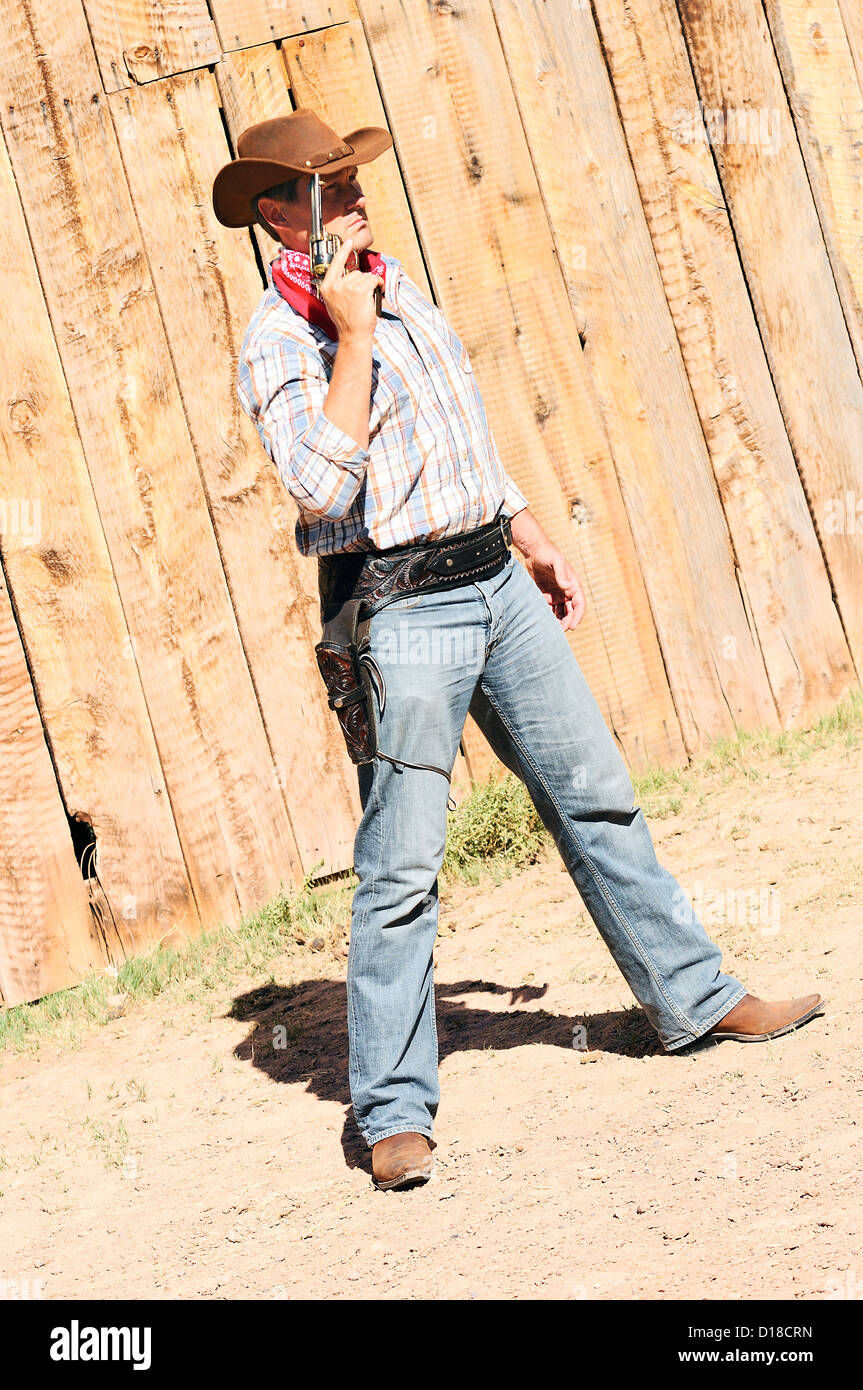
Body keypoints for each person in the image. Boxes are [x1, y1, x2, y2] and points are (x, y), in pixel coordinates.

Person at [212, 110, 823, 1192]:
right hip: (401, 612)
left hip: (493, 578)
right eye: (330, 189)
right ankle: (393, 1111)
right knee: (400, 869)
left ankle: (692, 994)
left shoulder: (397, 285)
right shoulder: (282, 338)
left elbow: (459, 436)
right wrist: (347, 336)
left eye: (352, 182)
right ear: (276, 213)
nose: (355, 199)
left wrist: (529, 535)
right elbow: (316, 485)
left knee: (594, 793)